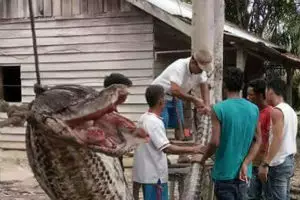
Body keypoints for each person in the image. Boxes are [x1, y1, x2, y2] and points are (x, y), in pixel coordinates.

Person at [132, 84, 205, 200]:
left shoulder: (143, 118)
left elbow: (160, 142)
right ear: (161, 101)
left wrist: (190, 145)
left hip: (145, 175)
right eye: (164, 98)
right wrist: (194, 149)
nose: (166, 101)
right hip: (155, 177)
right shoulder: (154, 122)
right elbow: (166, 148)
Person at [199, 67, 262, 200]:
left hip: (224, 173)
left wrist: (203, 158)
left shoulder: (218, 108)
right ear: (242, 86)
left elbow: (215, 142)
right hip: (244, 173)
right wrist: (246, 163)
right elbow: (258, 140)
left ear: (224, 86)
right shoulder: (254, 109)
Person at [151, 50, 212, 140]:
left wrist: (206, 105)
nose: (201, 71)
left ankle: (180, 145)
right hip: (159, 95)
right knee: (163, 121)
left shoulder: (200, 71)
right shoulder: (179, 67)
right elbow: (175, 90)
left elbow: (204, 84)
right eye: (199, 68)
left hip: (176, 96)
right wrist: (194, 100)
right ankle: (161, 147)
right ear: (192, 62)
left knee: (179, 123)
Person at [258, 78, 298, 200]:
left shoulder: (277, 111)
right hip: (289, 160)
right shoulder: (290, 110)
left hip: (278, 163)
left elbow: (277, 138)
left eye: (266, 90)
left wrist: (265, 163)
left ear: (270, 91)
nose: (265, 94)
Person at [246, 79, 272, 199]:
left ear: (260, 95)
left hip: (263, 164)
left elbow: (270, 140)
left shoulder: (270, 113)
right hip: (251, 162)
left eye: (251, 95)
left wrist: (265, 163)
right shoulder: (251, 111)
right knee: (251, 195)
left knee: (265, 196)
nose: (248, 97)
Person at [103, 73, 133, 171]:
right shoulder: (102, 110)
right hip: (108, 163)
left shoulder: (111, 109)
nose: (127, 93)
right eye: (125, 90)